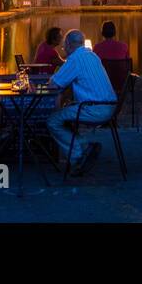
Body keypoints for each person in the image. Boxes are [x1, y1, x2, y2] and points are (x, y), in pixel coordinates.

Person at [46, 30, 117, 175]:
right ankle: (83, 146)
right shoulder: (92, 55)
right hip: (110, 107)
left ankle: (78, 155)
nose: (63, 49)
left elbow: (54, 84)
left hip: (94, 109)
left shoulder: (75, 59)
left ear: (68, 44)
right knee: (65, 112)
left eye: (64, 46)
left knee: (52, 120)